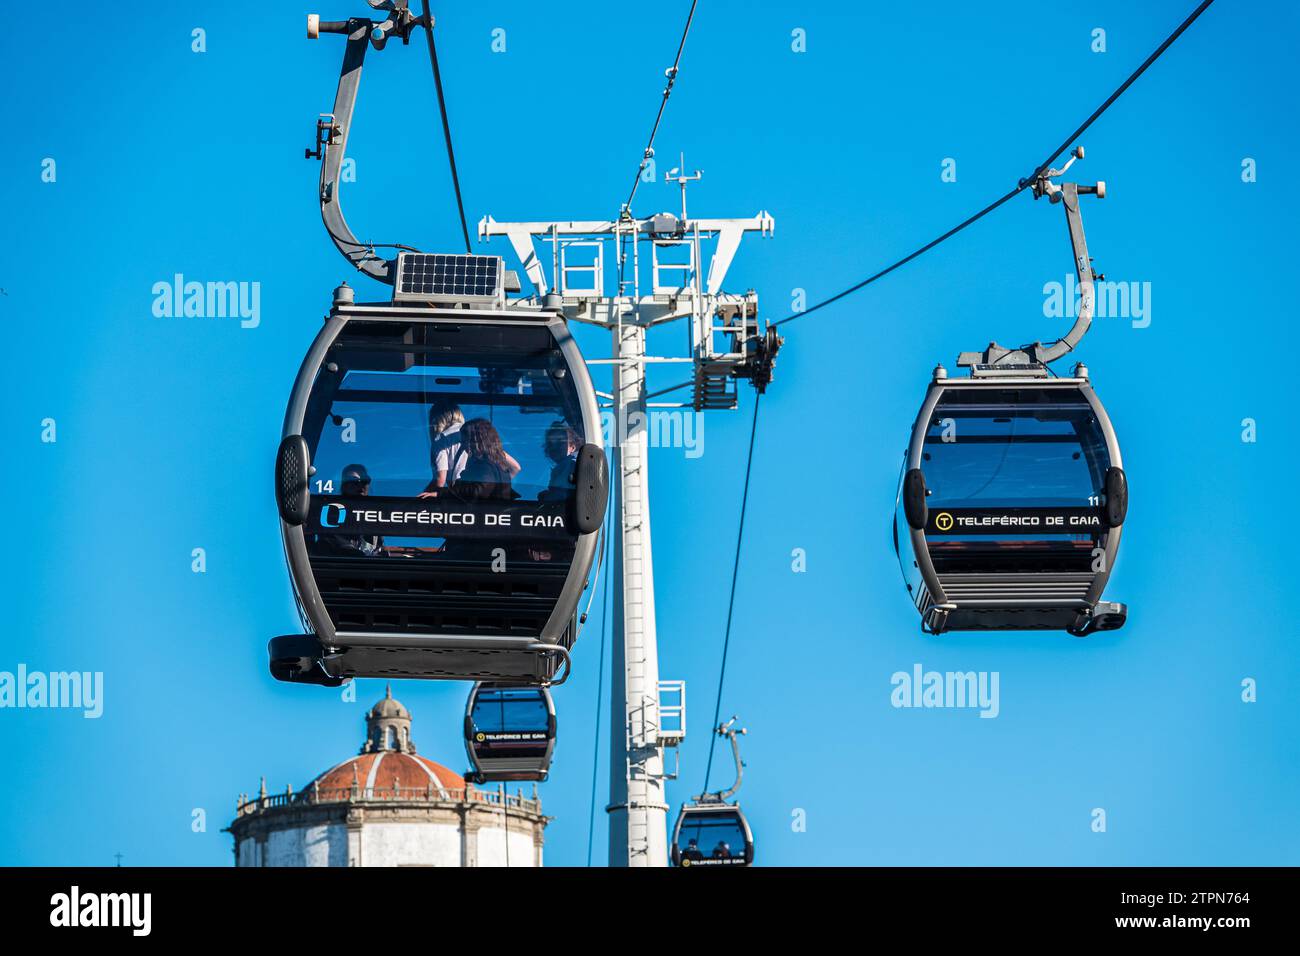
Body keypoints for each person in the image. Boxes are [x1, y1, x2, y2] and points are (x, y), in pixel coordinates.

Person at [318, 464, 384, 556]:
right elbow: (333, 541)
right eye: (354, 480)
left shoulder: (374, 515)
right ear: (344, 485)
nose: (360, 484)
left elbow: (378, 548)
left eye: (365, 481)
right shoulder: (333, 510)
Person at [449, 419, 521, 501]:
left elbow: (477, 492)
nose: (462, 444)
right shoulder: (498, 466)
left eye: (464, 440)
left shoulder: (484, 466)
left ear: (474, 440)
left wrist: (444, 493)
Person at [420, 401, 467, 498]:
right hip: (483, 491)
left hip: (460, 493)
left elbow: (440, 480)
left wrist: (421, 497)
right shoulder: (475, 431)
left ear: (436, 420)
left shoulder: (441, 439)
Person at [538, 420, 581, 502]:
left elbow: (564, 496)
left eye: (560, 442)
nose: (554, 447)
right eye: (550, 444)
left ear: (572, 447)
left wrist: (547, 497)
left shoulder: (573, 465)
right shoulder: (559, 470)